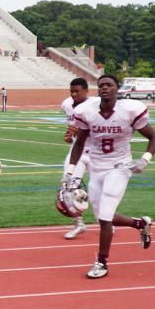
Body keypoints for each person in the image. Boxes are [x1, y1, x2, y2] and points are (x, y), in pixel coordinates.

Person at [65, 74, 155, 279]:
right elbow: (79, 143)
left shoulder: (129, 110)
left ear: (117, 88)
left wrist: (144, 159)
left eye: (109, 85)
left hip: (120, 166)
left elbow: (154, 137)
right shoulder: (86, 111)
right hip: (96, 167)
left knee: (106, 215)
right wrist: (70, 172)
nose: (105, 88)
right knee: (102, 217)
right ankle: (141, 224)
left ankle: (101, 261)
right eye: (101, 85)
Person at [61, 78, 98, 240]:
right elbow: (71, 133)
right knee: (68, 188)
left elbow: (101, 130)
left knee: (99, 191)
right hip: (78, 153)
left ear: (86, 91)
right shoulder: (67, 105)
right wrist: (69, 136)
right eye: (72, 91)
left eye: (78, 91)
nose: (74, 94)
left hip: (97, 153)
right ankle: (79, 223)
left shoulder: (96, 104)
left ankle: (106, 221)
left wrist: (83, 131)